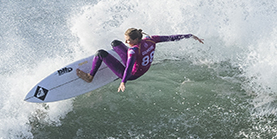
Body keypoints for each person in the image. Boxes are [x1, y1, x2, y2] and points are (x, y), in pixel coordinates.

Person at [76, 28, 204, 92]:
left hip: (132, 74)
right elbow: (171, 38)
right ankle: (114, 61)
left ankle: (90, 76)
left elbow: (129, 66)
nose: (126, 42)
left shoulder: (132, 51)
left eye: (128, 40)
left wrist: (123, 82)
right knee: (115, 43)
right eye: (126, 39)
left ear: (136, 40)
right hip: (143, 67)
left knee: (100, 53)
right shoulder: (151, 39)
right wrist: (190, 35)